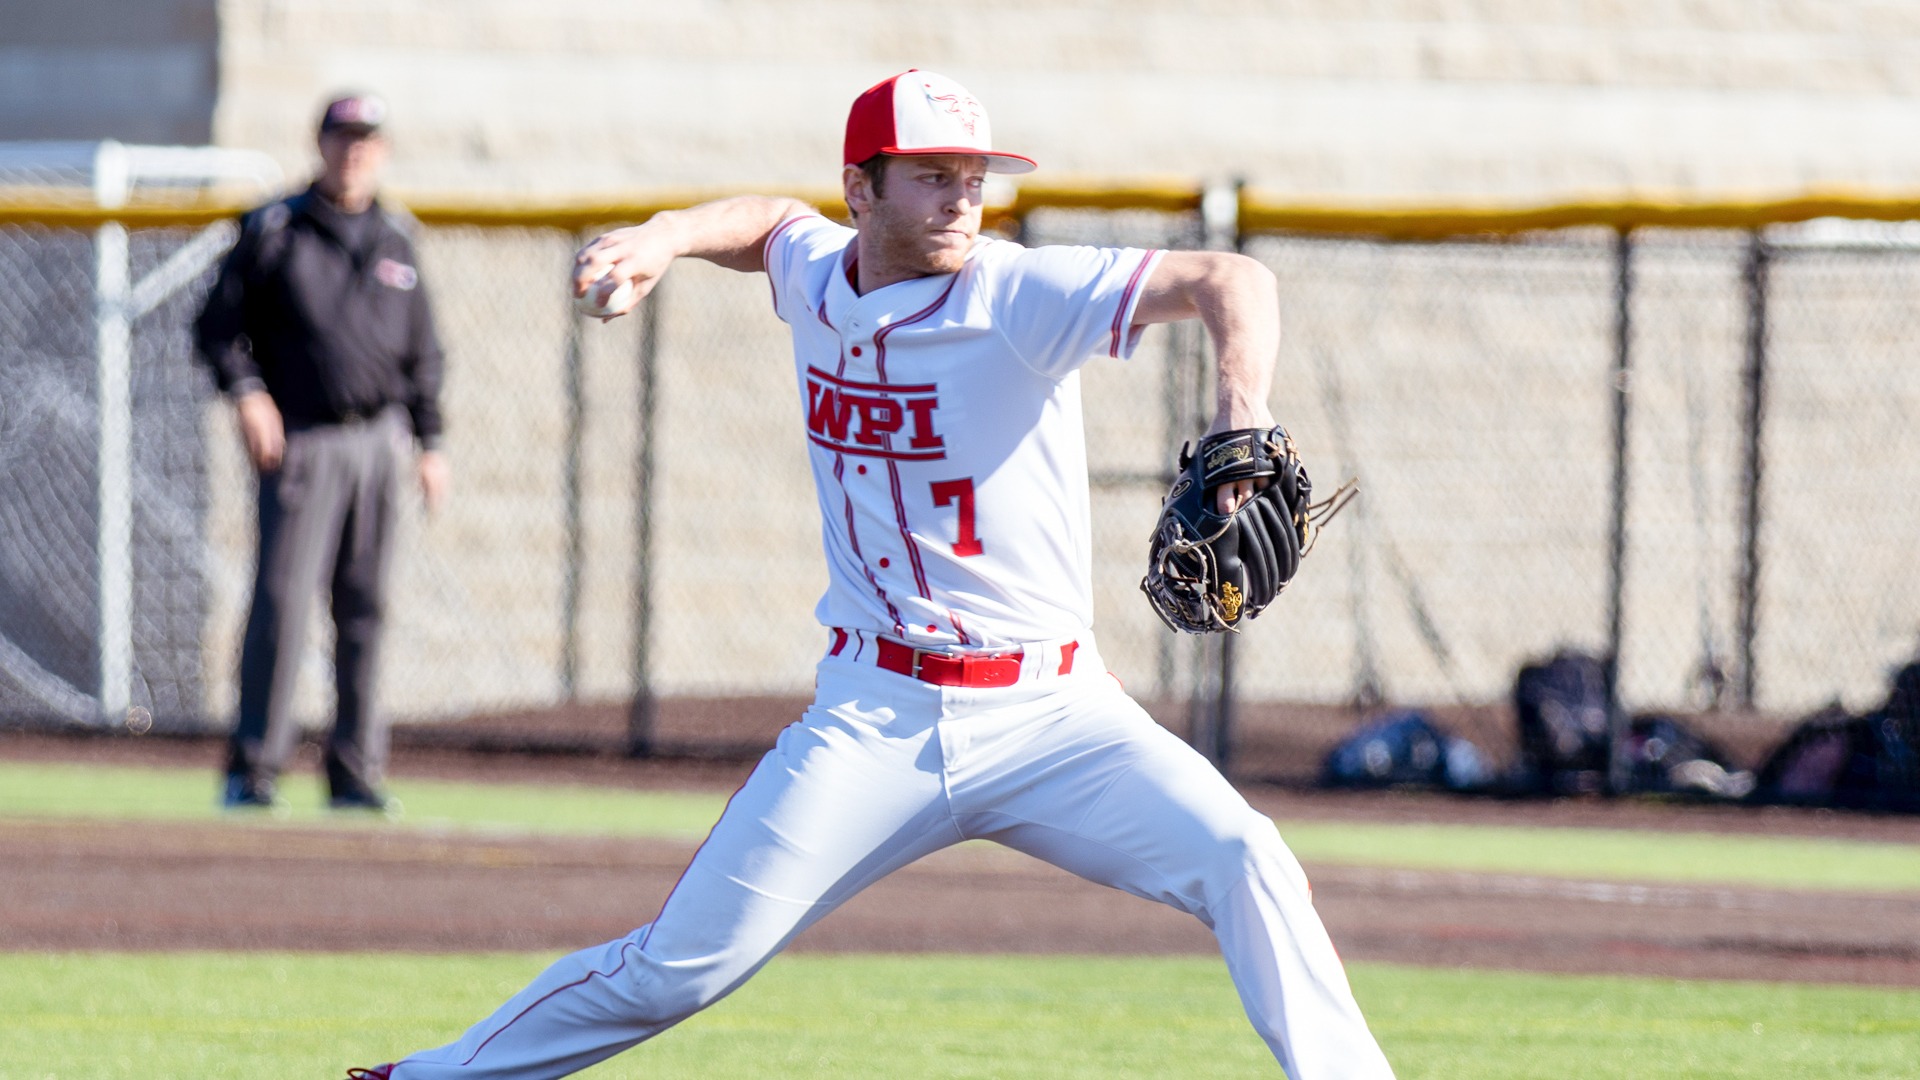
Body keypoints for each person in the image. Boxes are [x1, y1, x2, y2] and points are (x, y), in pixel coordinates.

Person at [350, 70, 1392, 1078]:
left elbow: (1234, 279)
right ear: (862, 188)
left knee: (1246, 856)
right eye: (933, 174)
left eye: (975, 176)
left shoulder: (1017, 293)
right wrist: (664, 237)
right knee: (678, 969)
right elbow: (767, 225)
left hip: (1056, 715)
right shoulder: (818, 273)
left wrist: (1240, 417)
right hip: (875, 714)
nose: (962, 198)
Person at [196, 92, 450, 813]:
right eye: (343, 137)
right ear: (321, 144)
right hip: (302, 440)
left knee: (366, 606)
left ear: (383, 149)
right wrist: (248, 393)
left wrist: (431, 441)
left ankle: (356, 773)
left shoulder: (396, 239)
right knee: (281, 602)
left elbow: (423, 354)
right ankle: (255, 769)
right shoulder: (276, 227)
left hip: (378, 442)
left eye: (367, 138)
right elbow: (217, 328)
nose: (355, 151)